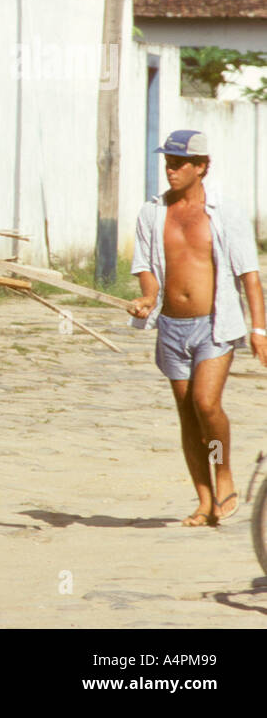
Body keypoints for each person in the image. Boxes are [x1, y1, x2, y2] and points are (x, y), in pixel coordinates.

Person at [127, 130, 267, 527]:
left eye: (179, 163)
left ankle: (223, 472)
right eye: (167, 163)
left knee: (206, 404)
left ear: (202, 167)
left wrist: (259, 330)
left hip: (214, 325)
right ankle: (205, 502)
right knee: (188, 414)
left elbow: (249, 275)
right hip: (171, 326)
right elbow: (146, 266)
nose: (170, 170)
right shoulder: (153, 212)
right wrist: (148, 297)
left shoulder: (224, 212)